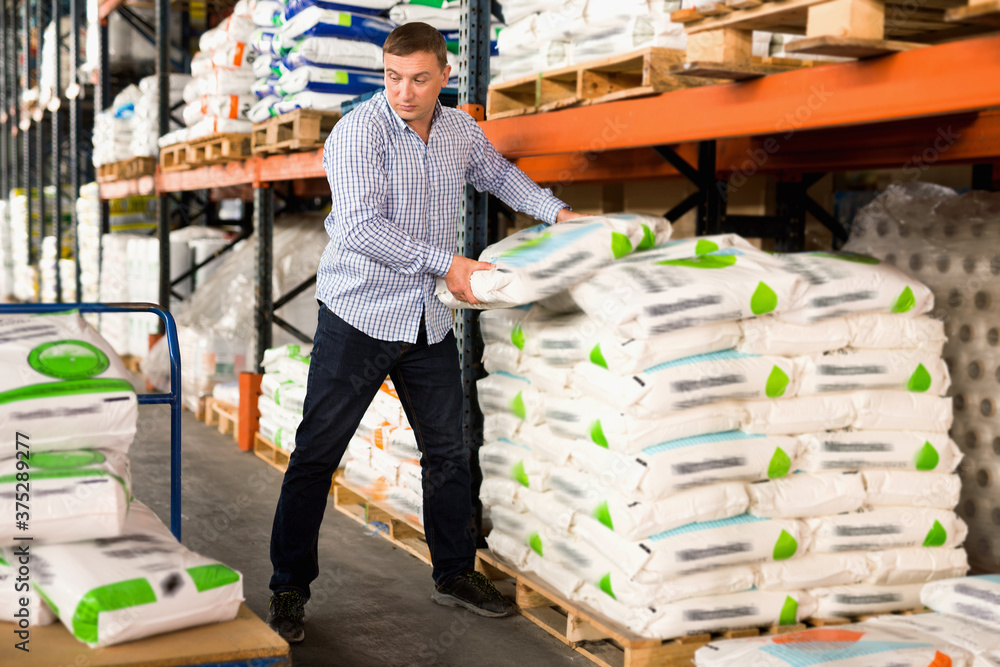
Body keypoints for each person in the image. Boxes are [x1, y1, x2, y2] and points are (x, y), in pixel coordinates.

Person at [266, 22, 584, 644]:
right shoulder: (359, 132)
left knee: (448, 451)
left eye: (417, 79)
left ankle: (454, 573)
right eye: (392, 77)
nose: (403, 92)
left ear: (444, 75)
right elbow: (357, 227)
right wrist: (449, 264)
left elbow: (499, 175)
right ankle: (288, 587)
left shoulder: (460, 130)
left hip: (427, 317)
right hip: (360, 314)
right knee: (316, 453)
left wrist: (559, 213)